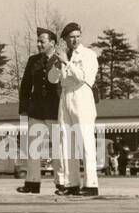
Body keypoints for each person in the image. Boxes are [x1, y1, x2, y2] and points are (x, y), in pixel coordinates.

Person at [48, 22, 101, 198]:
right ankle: (72, 183)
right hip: (65, 97)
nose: (75, 40)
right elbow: (53, 80)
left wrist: (67, 62)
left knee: (85, 141)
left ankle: (91, 183)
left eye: (77, 36)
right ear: (65, 39)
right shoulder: (62, 56)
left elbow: (83, 78)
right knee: (66, 142)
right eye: (71, 37)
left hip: (82, 96)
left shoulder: (88, 55)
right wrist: (56, 65)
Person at [16, 27, 62, 194]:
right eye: (38, 41)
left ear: (52, 43)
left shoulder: (61, 60)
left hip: (55, 110)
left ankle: (61, 182)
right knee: (34, 149)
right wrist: (24, 107)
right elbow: (26, 85)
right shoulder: (33, 60)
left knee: (58, 149)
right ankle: (32, 182)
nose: (39, 44)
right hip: (36, 110)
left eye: (42, 41)